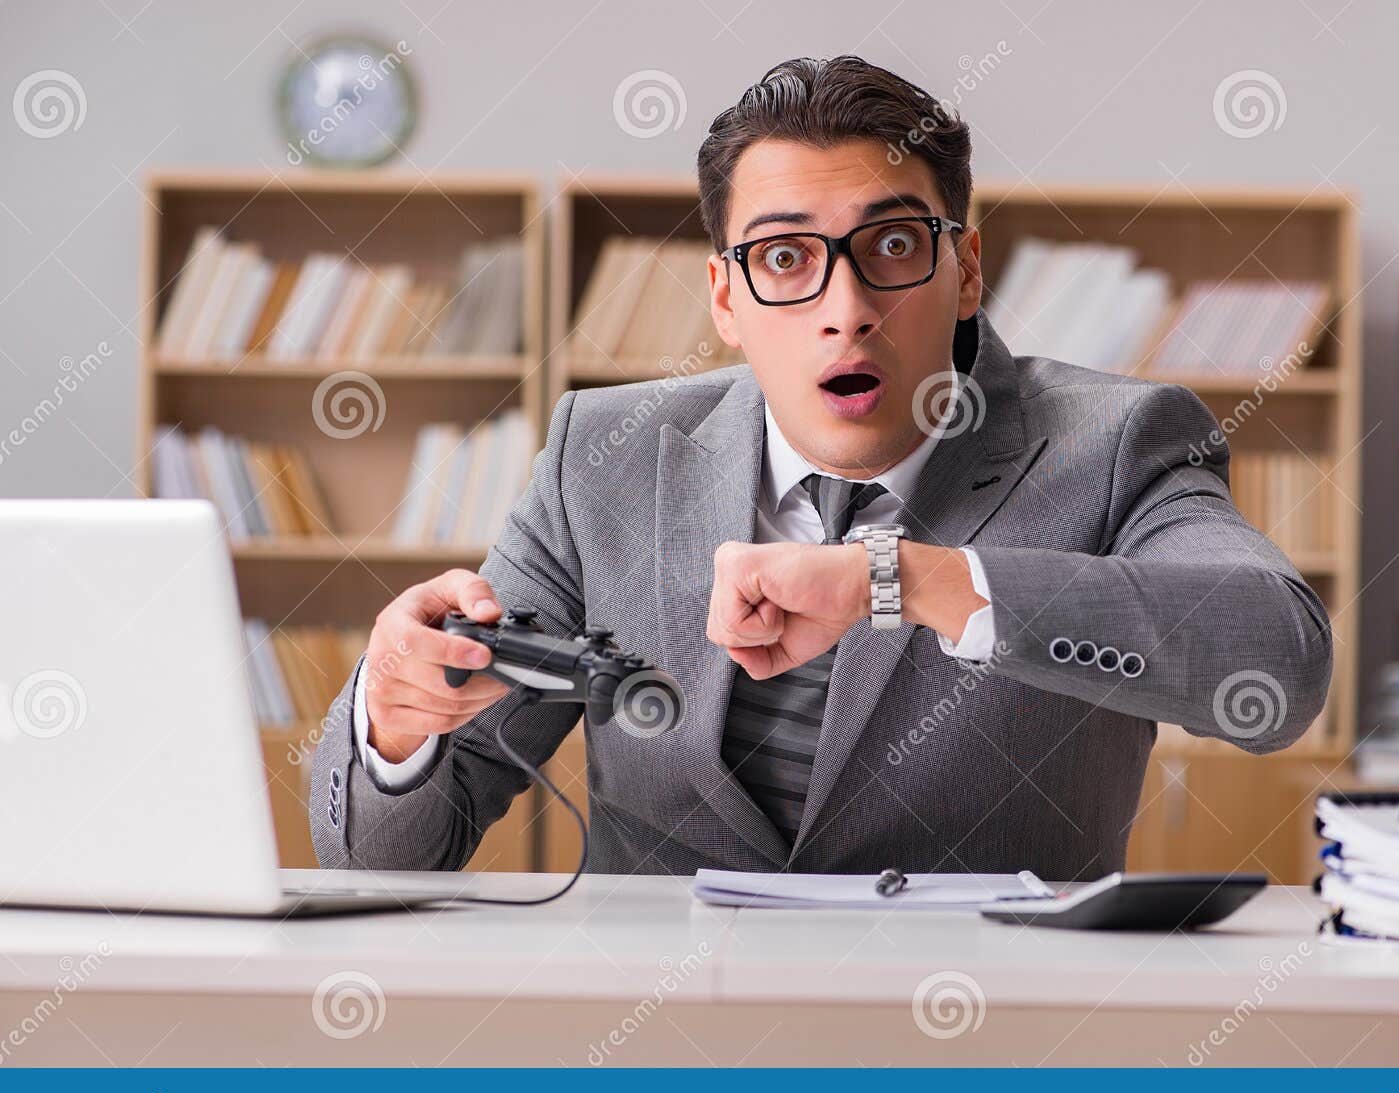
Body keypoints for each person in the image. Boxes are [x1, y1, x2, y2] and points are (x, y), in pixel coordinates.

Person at [310, 55, 1332, 877]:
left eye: (891, 244)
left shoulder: (1113, 443)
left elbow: (1275, 667)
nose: (845, 308)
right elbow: (386, 856)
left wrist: (899, 578)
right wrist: (396, 728)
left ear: (965, 269)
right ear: (724, 297)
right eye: (786, 258)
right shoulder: (603, 460)